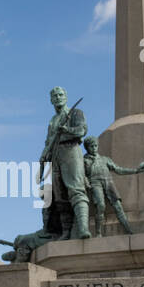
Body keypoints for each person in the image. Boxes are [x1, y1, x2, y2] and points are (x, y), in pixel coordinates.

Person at [39, 87, 90, 240]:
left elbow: (81, 130)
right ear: (51, 100)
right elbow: (48, 141)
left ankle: (83, 228)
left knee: (76, 188)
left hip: (70, 150)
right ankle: (66, 231)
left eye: (61, 95)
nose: (58, 97)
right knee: (59, 195)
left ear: (66, 97)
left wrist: (66, 129)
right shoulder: (52, 120)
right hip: (54, 155)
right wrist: (44, 155)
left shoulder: (75, 112)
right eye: (54, 96)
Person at [81, 135, 144, 235]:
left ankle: (128, 229)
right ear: (87, 148)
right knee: (100, 206)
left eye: (96, 146)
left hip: (108, 182)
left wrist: (136, 170)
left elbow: (119, 170)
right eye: (91, 146)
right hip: (95, 182)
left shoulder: (105, 159)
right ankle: (98, 232)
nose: (94, 148)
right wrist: (86, 181)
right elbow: (81, 174)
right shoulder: (84, 161)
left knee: (118, 205)